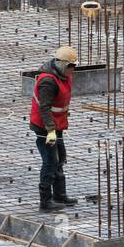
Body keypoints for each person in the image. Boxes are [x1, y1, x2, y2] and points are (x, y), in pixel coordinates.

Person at [29, 46, 80, 211]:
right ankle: (45, 201)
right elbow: (44, 108)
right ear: (63, 65)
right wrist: (50, 130)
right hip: (45, 127)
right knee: (50, 162)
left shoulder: (64, 76)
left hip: (56, 125)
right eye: (71, 67)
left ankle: (60, 195)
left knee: (60, 158)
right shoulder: (48, 81)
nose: (73, 71)